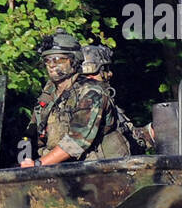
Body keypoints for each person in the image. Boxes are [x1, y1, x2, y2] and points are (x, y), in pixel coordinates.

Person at [21, 32, 129, 166]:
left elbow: (76, 142)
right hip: (57, 170)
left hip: (97, 172)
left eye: (58, 59)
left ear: (74, 60)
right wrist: (23, 160)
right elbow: (30, 133)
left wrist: (38, 165)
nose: (52, 65)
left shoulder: (91, 93)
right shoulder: (49, 93)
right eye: (47, 60)